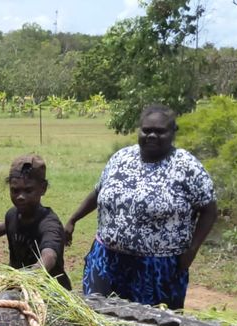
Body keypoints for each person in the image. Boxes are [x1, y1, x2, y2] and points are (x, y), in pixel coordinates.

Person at [65, 104, 216, 309]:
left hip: (157, 269)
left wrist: (192, 250)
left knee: (154, 325)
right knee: (99, 318)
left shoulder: (187, 166)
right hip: (107, 261)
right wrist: (73, 219)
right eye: (146, 130)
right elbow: (99, 191)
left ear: (173, 132)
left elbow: (209, 210)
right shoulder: (121, 158)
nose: (151, 135)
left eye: (160, 131)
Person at [3, 154, 72, 289]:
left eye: (28, 190)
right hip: (22, 288)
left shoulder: (49, 223)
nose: (20, 197)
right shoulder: (11, 216)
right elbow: (14, 260)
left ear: (43, 188)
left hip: (51, 292)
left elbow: (49, 256)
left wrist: (29, 276)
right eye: (15, 191)